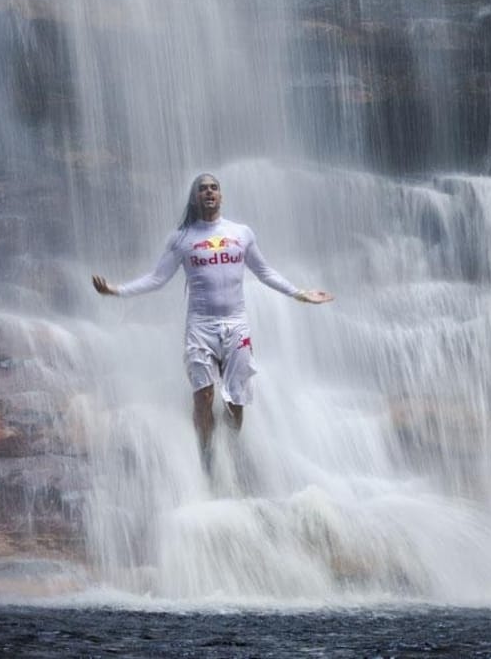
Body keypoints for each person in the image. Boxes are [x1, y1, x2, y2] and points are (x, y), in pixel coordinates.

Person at [92, 173, 332, 469]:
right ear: (195, 198)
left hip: (236, 325)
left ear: (221, 195)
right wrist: (117, 290)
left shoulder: (241, 233)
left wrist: (299, 293)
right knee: (204, 396)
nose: (208, 192)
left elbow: (264, 272)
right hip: (200, 327)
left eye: (214, 188)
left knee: (235, 402)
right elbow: (157, 279)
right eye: (202, 189)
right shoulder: (182, 239)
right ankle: (206, 455)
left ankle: (231, 452)